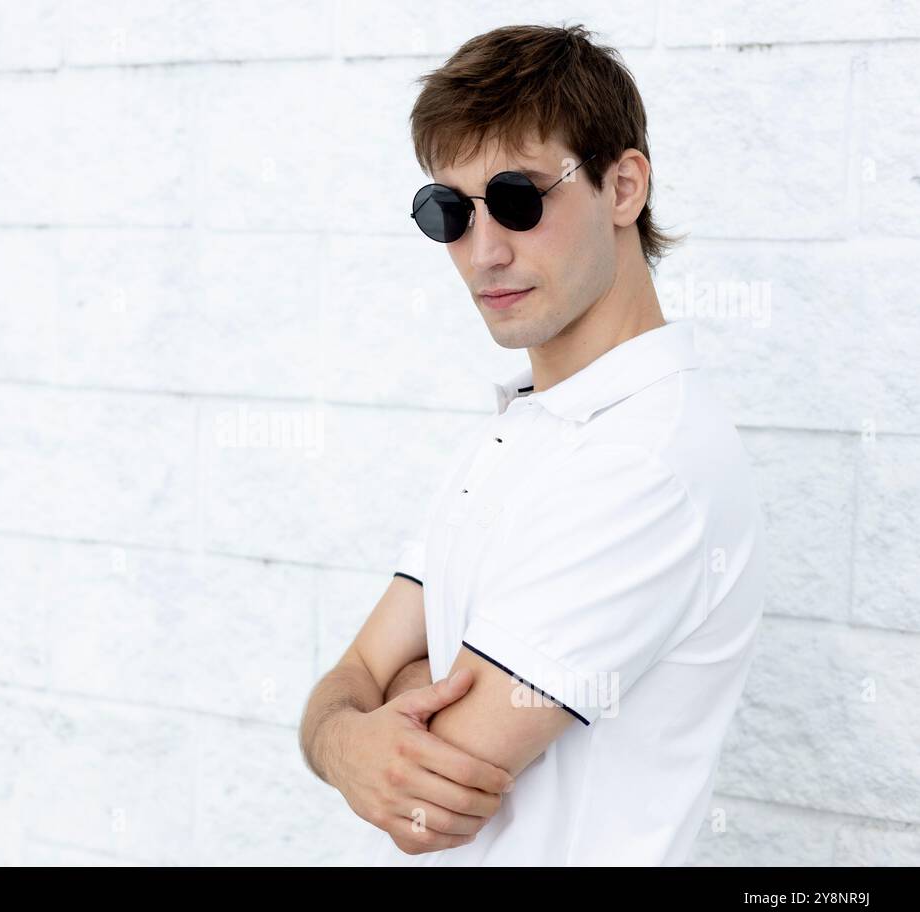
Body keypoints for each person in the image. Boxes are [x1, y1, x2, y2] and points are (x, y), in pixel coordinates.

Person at [298, 23, 767, 865]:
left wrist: (384, 706)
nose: (485, 252)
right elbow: (354, 674)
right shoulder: (527, 425)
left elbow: (426, 802)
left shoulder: (645, 462)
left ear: (623, 188)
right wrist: (340, 739)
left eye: (518, 199)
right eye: (448, 211)